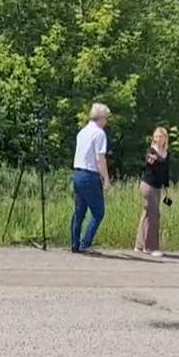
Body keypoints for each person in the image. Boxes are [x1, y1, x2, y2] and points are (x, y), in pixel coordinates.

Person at [70, 102, 112, 252]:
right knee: (98, 212)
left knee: (79, 211)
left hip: (77, 173)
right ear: (100, 118)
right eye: (106, 118)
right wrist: (106, 179)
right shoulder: (99, 133)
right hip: (89, 174)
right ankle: (85, 243)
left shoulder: (82, 132)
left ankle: (74, 243)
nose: (106, 121)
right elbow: (100, 159)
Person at [133, 126, 172, 257]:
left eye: (160, 136)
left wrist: (166, 188)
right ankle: (150, 247)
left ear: (165, 138)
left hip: (158, 187)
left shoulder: (167, 153)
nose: (157, 139)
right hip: (148, 186)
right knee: (154, 215)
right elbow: (149, 161)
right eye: (156, 136)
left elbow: (165, 171)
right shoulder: (151, 151)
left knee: (147, 214)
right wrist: (152, 160)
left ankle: (139, 245)